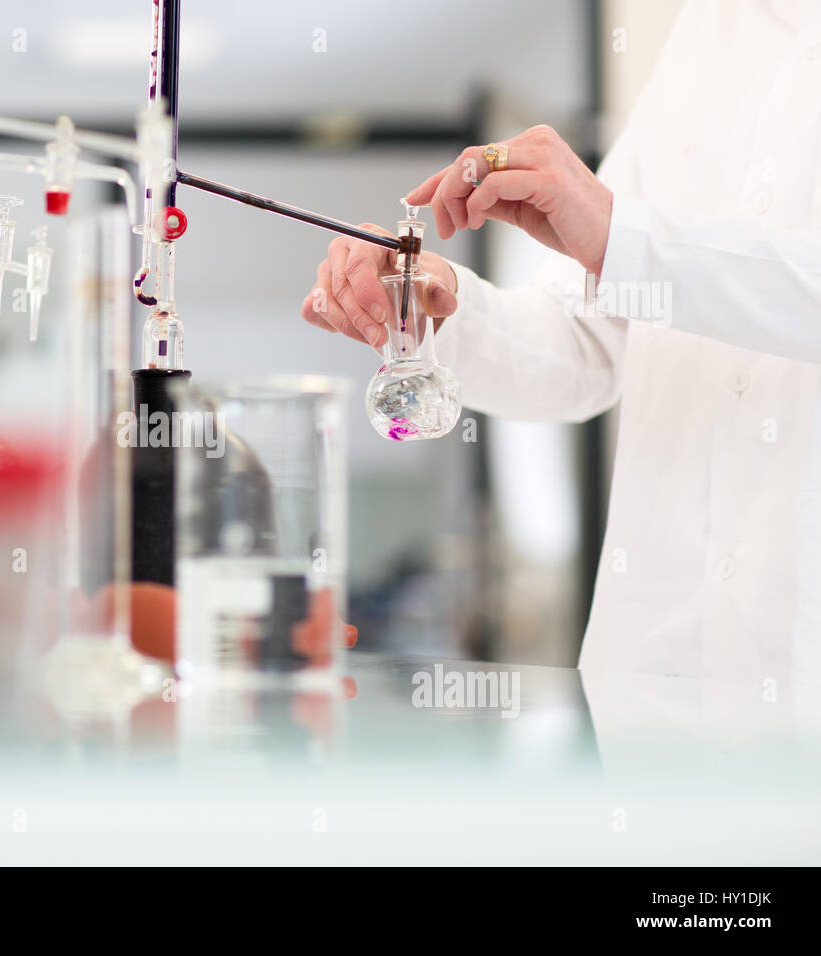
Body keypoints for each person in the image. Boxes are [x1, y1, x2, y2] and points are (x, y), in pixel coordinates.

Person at [301, 0, 821, 684]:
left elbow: (633, 250)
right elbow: (587, 346)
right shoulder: (710, 31)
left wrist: (623, 237)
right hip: (650, 692)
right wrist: (432, 302)